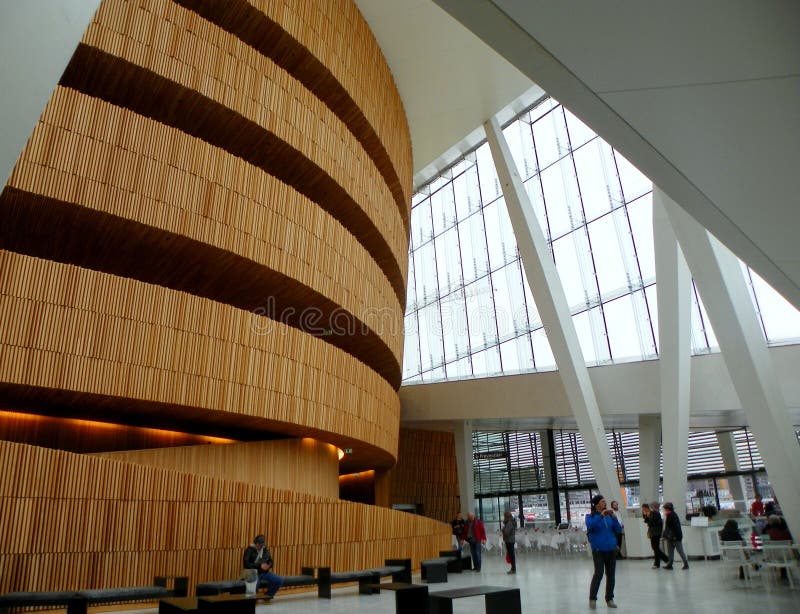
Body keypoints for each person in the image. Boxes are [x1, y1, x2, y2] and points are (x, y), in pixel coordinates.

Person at [585, 494, 621, 610]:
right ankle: (592, 599)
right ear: (596, 505)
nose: (605, 503)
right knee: (598, 574)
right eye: (602, 502)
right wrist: (600, 516)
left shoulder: (609, 517)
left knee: (611, 576)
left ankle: (609, 598)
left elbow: (619, 530)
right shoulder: (590, 517)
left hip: (611, 550)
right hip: (599, 551)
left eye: (605, 501)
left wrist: (615, 519)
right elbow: (591, 525)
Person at [242, 534, 283, 600]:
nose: (260, 547)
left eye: (261, 545)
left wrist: (268, 565)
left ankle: (268, 595)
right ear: (255, 543)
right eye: (258, 545)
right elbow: (246, 564)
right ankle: (253, 599)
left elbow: (270, 561)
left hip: (264, 572)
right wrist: (259, 566)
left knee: (279, 580)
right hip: (252, 573)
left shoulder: (265, 550)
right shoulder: (249, 550)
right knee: (254, 586)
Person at [661, 502, 689, 570]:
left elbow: (676, 527)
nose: (664, 510)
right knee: (670, 551)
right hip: (671, 537)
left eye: (665, 509)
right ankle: (670, 564)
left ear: (668, 509)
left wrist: (676, 536)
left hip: (675, 537)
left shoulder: (672, 515)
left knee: (680, 550)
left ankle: (686, 564)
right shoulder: (670, 515)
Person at [641, 503, 669, 569]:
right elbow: (646, 521)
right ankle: (666, 559)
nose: (643, 510)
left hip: (656, 533)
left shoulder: (655, 513)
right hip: (652, 533)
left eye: (643, 509)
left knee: (655, 548)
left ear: (647, 507)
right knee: (655, 548)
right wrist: (646, 516)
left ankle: (658, 563)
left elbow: (653, 523)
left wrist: (648, 516)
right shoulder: (649, 513)